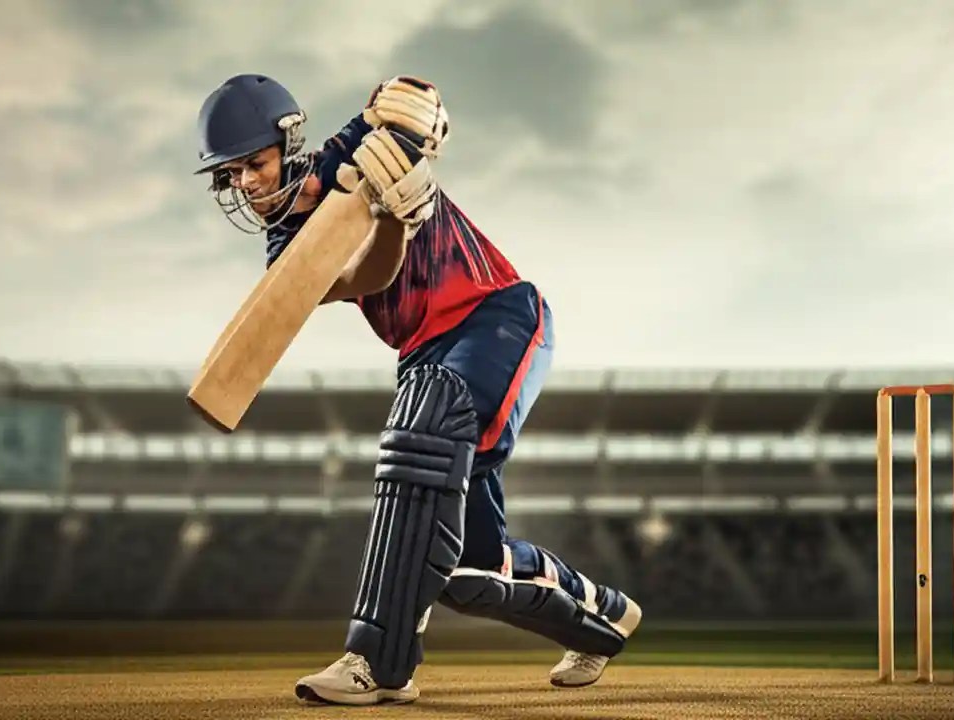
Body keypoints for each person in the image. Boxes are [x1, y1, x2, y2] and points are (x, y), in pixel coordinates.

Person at [192, 73, 643, 706]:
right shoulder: (284, 251)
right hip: (427, 355)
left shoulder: (353, 144)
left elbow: (411, 96)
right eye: (230, 175)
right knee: (469, 572)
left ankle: (378, 661)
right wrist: (395, 225)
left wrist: (412, 137)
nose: (246, 184)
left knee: (422, 423)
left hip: (498, 315)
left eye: (254, 164)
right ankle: (606, 617)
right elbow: (360, 276)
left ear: (290, 142)